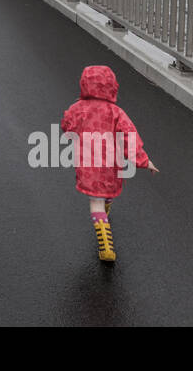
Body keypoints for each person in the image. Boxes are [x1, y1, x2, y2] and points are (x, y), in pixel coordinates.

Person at [60, 65, 159, 263]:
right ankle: (105, 213)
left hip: (87, 164)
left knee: (94, 200)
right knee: (106, 193)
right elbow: (130, 137)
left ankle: (105, 243)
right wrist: (144, 160)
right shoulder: (116, 112)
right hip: (111, 166)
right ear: (112, 87)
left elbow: (66, 125)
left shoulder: (78, 108)